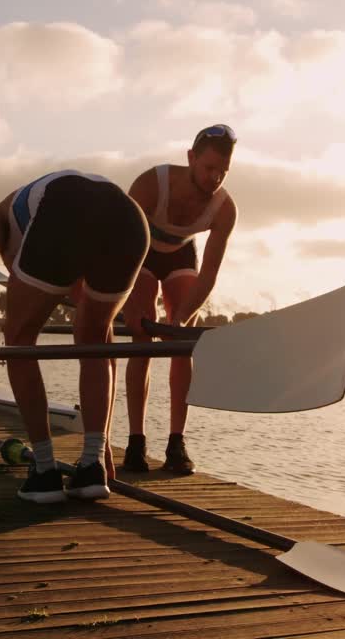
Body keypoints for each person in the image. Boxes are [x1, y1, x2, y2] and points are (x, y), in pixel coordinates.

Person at [0, 169, 148, 503]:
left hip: (67, 209)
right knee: (96, 339)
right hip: (130, 220)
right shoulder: (38, 206)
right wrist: (103, 442)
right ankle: (92, 465)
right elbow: (104, 344)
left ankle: (44, 471)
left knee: (18, 338)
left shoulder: (3, 214)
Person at [121, 124, 238, 475]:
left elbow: (209, 276)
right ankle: (136, 442)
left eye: (223, 171)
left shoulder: (224, 209)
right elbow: (119, 247)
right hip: (138, 255)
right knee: (142, 341)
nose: (215, 177)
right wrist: (126, 302)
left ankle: (176, 443)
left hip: (180, 256)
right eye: (208, 168)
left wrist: (181, 317)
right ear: (191, 158)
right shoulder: (150, 184)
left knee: (182, 340)